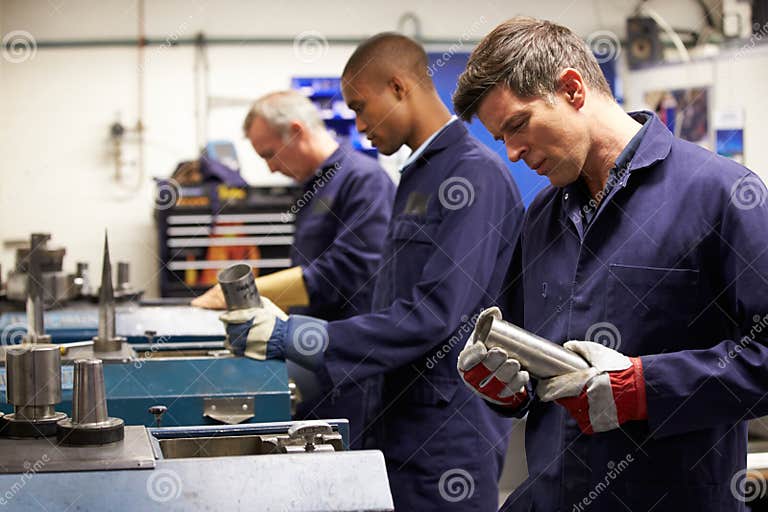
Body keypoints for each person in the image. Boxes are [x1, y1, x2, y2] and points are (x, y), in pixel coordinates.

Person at [453, 16, 768, 511]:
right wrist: (501, 385)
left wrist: (645, 387)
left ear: (573, 89)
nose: (512, 153)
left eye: (517, 126)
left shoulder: (720, 195)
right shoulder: (542, 217)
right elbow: (526, 359)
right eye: (501, 139)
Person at [218, 34, 525, 510]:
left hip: (446, 436)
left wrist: (294, 336)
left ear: (400, 88)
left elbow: (433, 315)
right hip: (393, 414)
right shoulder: (417, 176)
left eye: (362, 108)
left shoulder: (473, 177)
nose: (359, 128)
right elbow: (390, 300)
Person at [193, 90, 395, 448]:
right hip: (311, 356)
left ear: (298, 131)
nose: (270, 167)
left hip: (351, 361)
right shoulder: (315, 187)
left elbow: (349, 268)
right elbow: (308, 271)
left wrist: (243, 295)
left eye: (270, 154)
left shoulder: (363, 180)